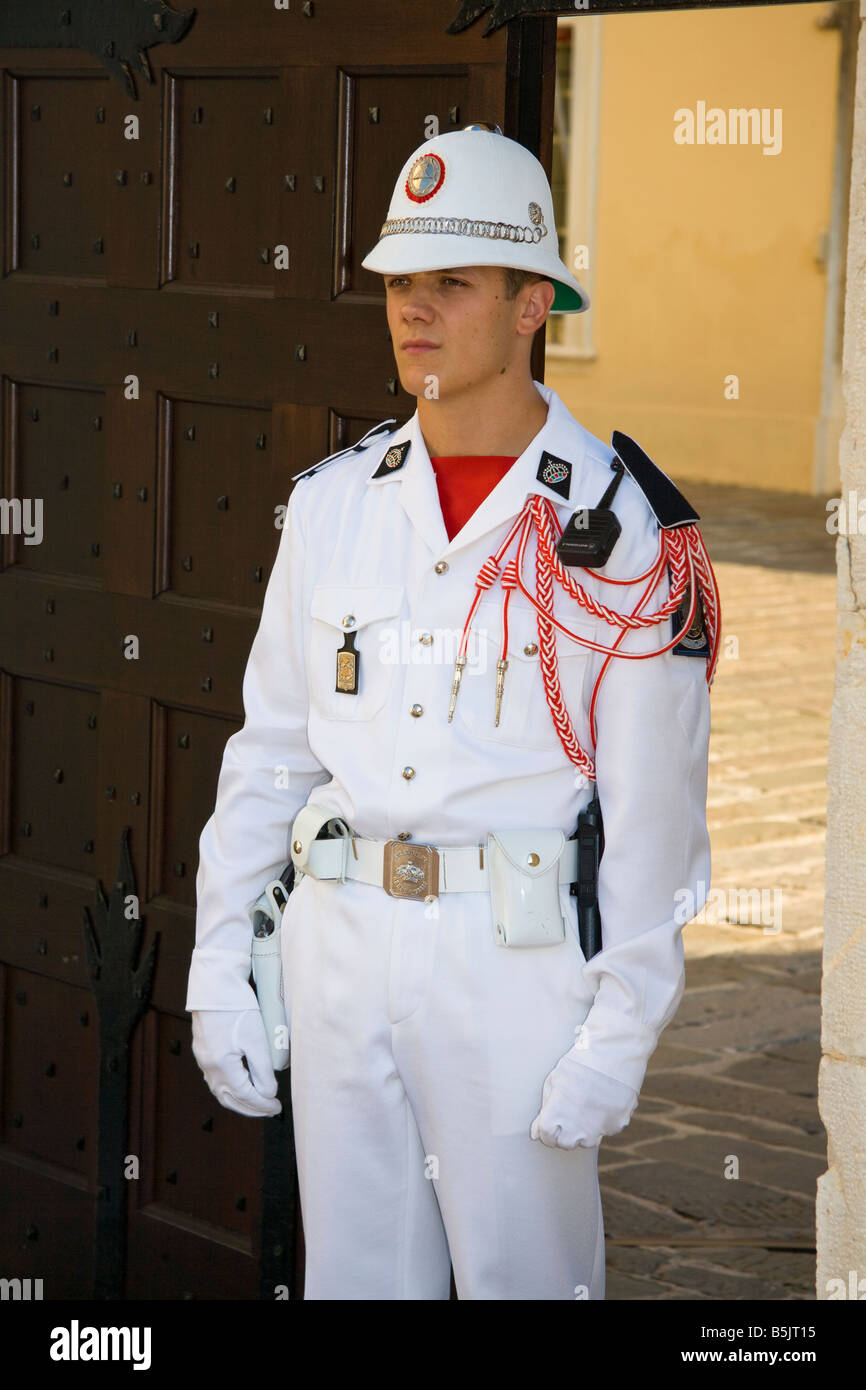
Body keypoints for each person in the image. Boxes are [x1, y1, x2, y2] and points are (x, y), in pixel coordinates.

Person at [186, 125, 719, 1300]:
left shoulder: (626, 534)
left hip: (513, 965)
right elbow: (270, 756)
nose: (412, 311)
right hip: (340, 950)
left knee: (520, 1284)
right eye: (399, 282)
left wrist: (621, 1026)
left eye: (451, 283)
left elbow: (653, 819)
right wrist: (221, 959)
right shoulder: (330, 507)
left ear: (534, 302)